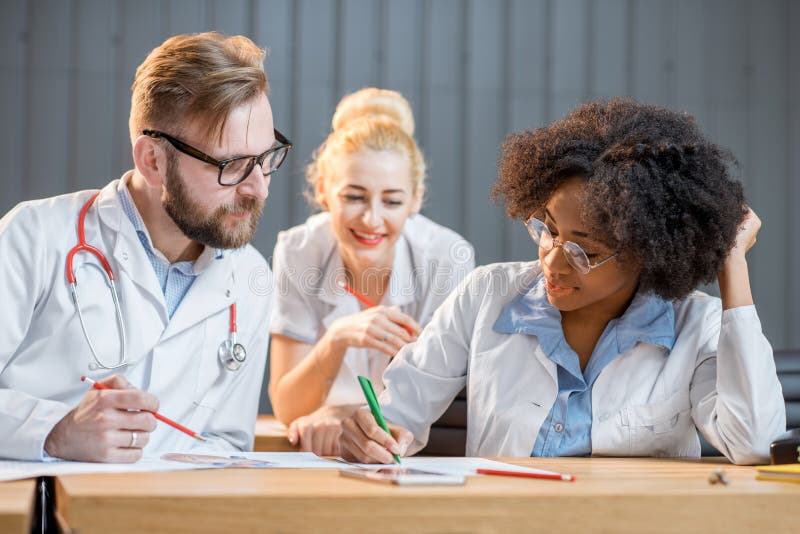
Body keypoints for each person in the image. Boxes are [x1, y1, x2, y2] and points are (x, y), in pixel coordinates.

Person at [339, 98, 786, 465]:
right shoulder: (485, 295)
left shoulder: (695, 326)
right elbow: (397, 415)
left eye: (585, 251)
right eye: (548, 230)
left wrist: (731, 265)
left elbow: (752, 443)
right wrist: (373, 433)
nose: (553, 261)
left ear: (647, 250)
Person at [0, 32, 291, 462]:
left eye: (266, 158)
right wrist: (53, 433)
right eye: (232, 165)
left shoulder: (250, 279)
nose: (259, 189)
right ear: (152, 160)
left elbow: (226, 445)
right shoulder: (35, 236)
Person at [268, 88, 475, 456]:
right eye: (354, 197)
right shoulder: (298, 251)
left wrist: (346, 414)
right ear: (323, 191)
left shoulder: (447, 257)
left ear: (415, 200)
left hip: (419, 457)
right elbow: (288, 407)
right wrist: (337, 338)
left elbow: (438, 407)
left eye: (392, 201)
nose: (372, 219)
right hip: (324, 456)